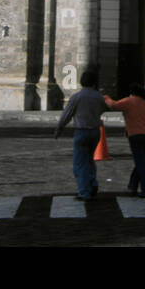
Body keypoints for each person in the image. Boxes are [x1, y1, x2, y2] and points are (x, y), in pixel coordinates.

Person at [54, 68, 108, 201]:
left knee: (79, 163)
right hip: (95, 132)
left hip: (81, 131)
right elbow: (103, 109)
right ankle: (92, 183)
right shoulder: (99, 97)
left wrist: (59, 128)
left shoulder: (76, 97)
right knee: (90, 160)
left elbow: (67, 115)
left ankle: (84, 192)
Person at [105, 84, 145, 196]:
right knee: (142, 161)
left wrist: (106, 98)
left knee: (140, 163)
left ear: (132, 93)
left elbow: (113, 106)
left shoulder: (129, 101)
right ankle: (132, 185)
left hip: (134, 136)